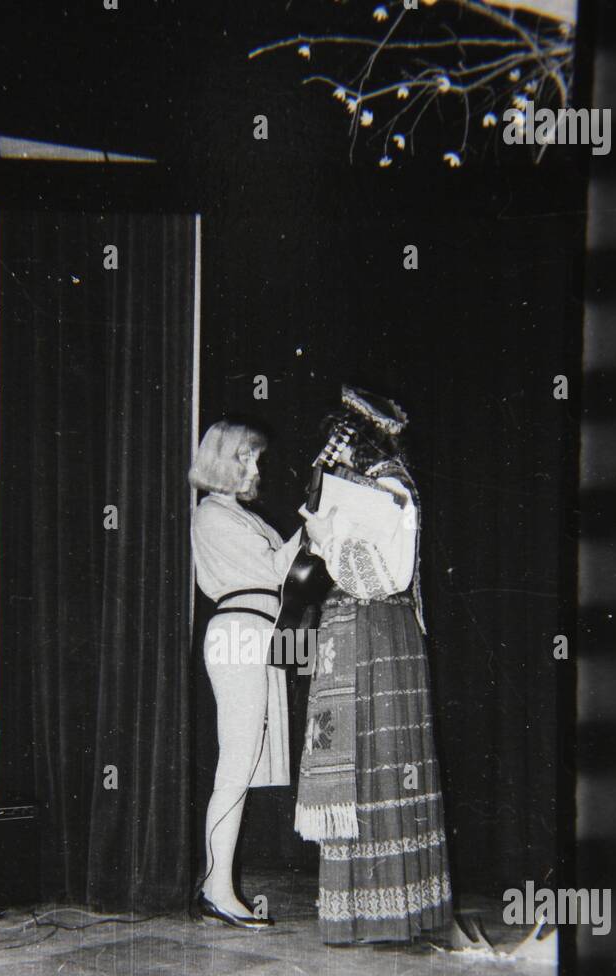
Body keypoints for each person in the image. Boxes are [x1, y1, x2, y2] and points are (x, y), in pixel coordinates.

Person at [295, 387, 456, 946]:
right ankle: (365, 911)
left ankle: (387, 911)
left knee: (377, 759)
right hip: (357, 631)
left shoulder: (389, 489)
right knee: (355, 758)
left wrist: (326, 537)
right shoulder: (376, 487)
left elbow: (380, 576)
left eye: (336, 445)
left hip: (376, 630)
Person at [190, 421, 302, 928]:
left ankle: (218, 886)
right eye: (247, 459)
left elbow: (287, 570)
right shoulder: (212, 515)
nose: (256, 468)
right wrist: (315, 524)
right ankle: (217, 888)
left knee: (244, 760)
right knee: (237, 760)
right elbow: (279, 571)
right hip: (239, 632)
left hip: (259, 634)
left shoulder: (242, 516)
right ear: (224, 460)